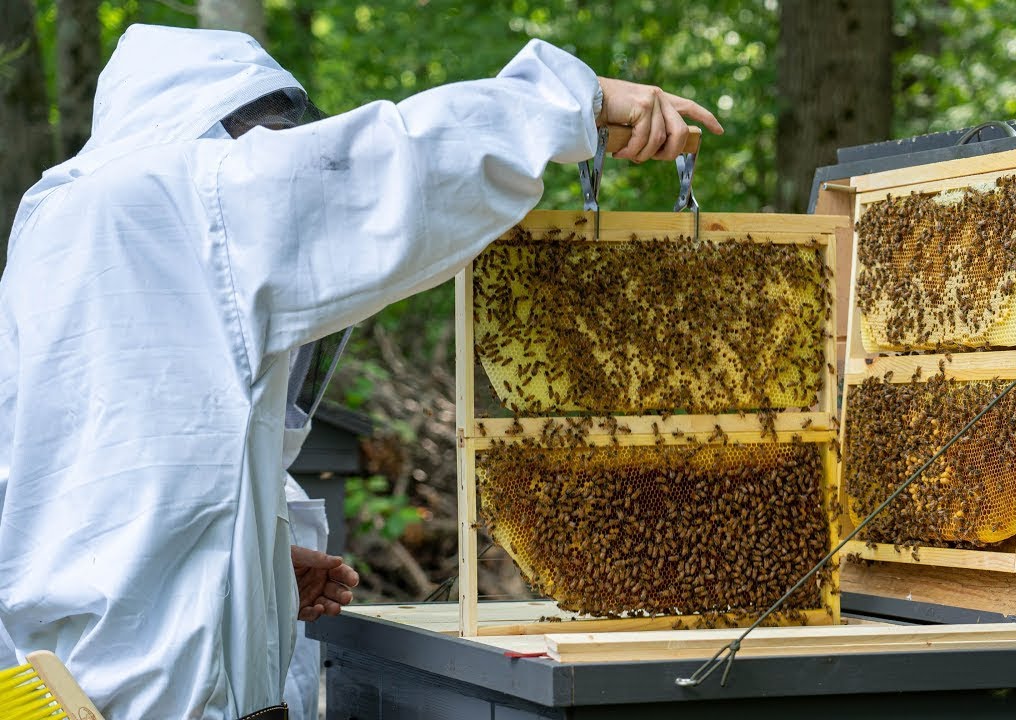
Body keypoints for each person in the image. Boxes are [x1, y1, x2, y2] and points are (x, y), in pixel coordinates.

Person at [0, 24, 721, 719]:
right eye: (262, 138)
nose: (275, 156)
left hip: (74, 683)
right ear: (208, 132)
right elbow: (396, 166)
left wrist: (250, 568)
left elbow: (100, 487)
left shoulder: (58, 226)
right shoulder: (178, 199)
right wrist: (570, 98)